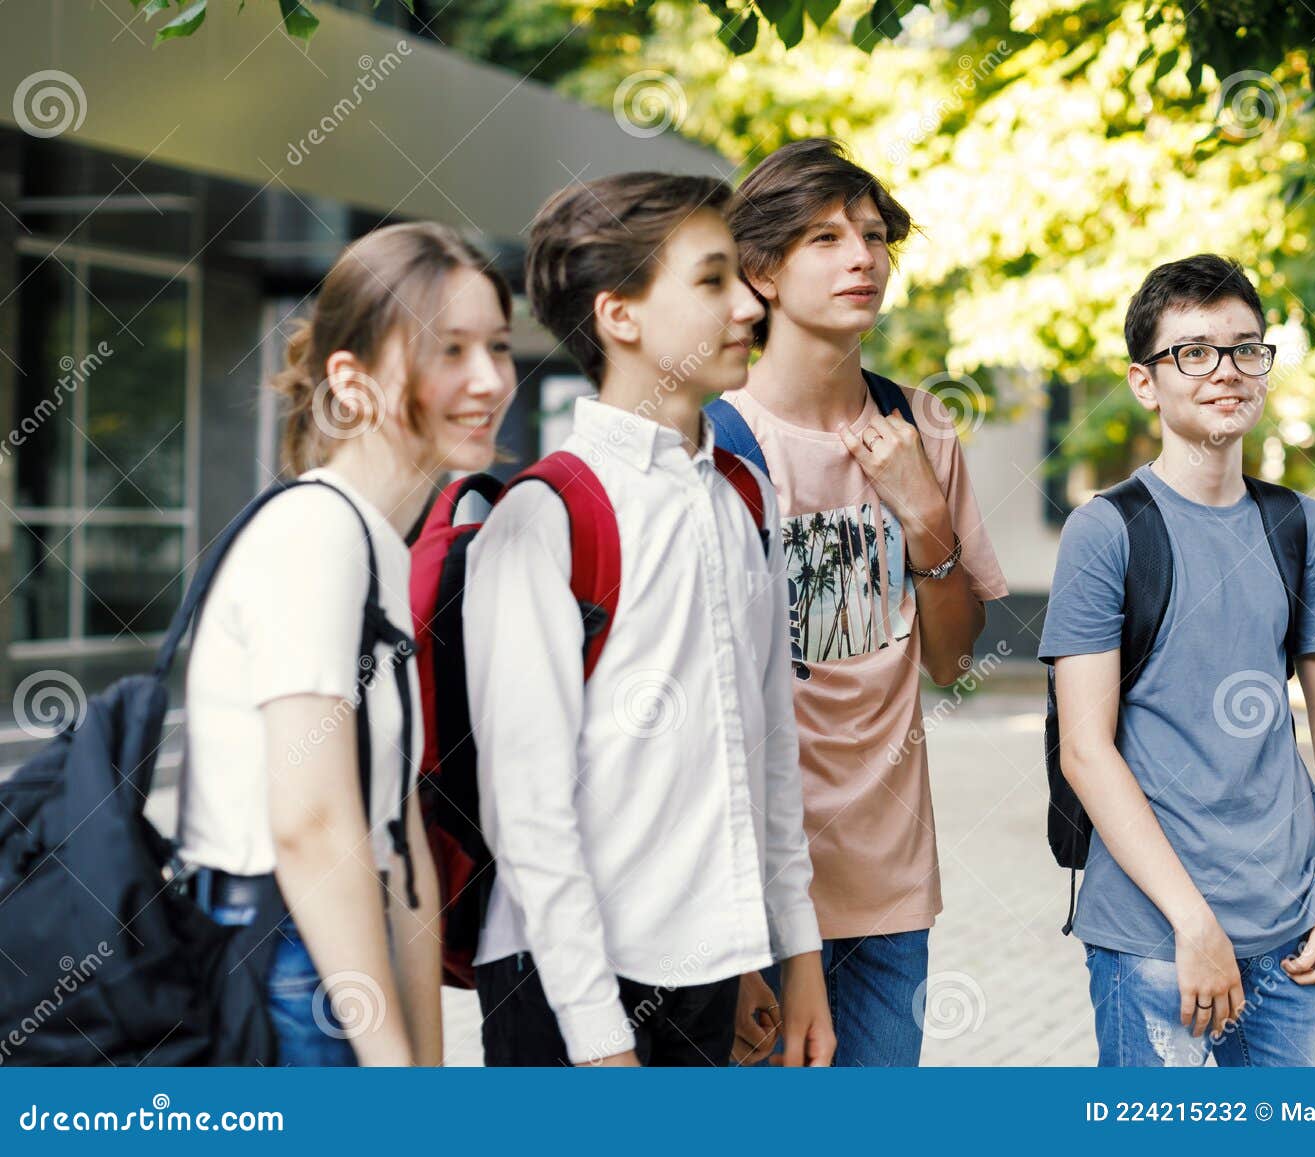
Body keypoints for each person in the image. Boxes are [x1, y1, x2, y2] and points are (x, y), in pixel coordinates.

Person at [465, 172, 834, 1067]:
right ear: (619, 315)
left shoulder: (744, 495)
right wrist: (601, 1041)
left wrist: (786, 955)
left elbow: (768, 750)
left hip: (709, 980)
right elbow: (527, 812)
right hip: (565, 988)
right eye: (711, 280)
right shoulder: (546, 516)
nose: (750, 304)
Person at [179, 222, 518, 1065]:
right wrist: (395, 1066)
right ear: (350, 379)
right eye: (449, 349)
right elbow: (312, 824)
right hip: (286, 954)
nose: (488, 379)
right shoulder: (316, 534)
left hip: (329, 946)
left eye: (498, 346)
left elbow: (392, 831)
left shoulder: (374, 542)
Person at [1039, 253, 1315, 1067]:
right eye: (1194, 352)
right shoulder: (1106, 531)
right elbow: (1085, 749)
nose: (1225, 370)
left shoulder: (1303, 527)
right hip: (1155, 938)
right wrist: (1193, 922)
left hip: (1295, 932)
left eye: (1244, 348)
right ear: (1145, 382)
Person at [719, 139, 1008, 1067]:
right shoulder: (713, 441)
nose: (863, 258)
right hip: (749, 893)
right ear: (762, 271)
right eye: (826, 238)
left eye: (875, 236)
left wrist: (924, 515)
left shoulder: (922, 425)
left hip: (888, 889)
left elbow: (952, 661)